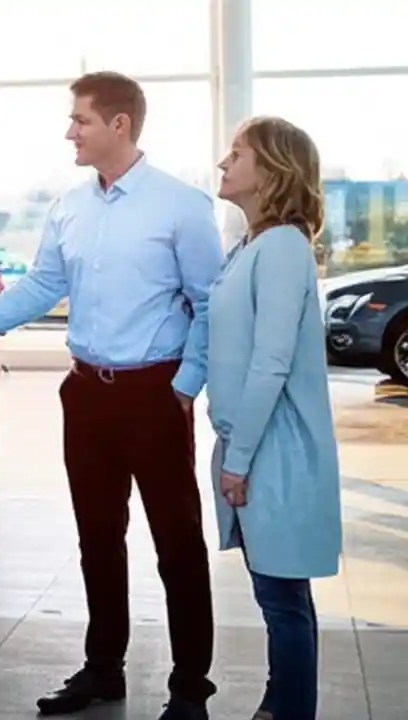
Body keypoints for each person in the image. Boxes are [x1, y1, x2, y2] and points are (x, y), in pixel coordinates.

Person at [0, 71, 225, 719]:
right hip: (85, 397)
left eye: (81, 120)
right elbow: (41, 288)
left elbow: (210, 305)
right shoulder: (69, 205)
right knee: (98, 537)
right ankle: (104, 670)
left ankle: (190, 688)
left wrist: (184, 388)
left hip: (156, 393)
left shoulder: (181, 205)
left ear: (119, 125)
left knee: (177, 541)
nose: (70, 130)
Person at [207, 116, 342, 720]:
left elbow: (271, 363)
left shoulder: (283, 247)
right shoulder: (253, 246)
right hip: (260, 444)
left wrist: (238, 461)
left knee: (283, 596)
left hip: (276, 450)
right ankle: (278, 702)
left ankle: (289, 712)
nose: (223, 163)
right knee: (280, 592)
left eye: (237, 154)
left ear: (271, 169)